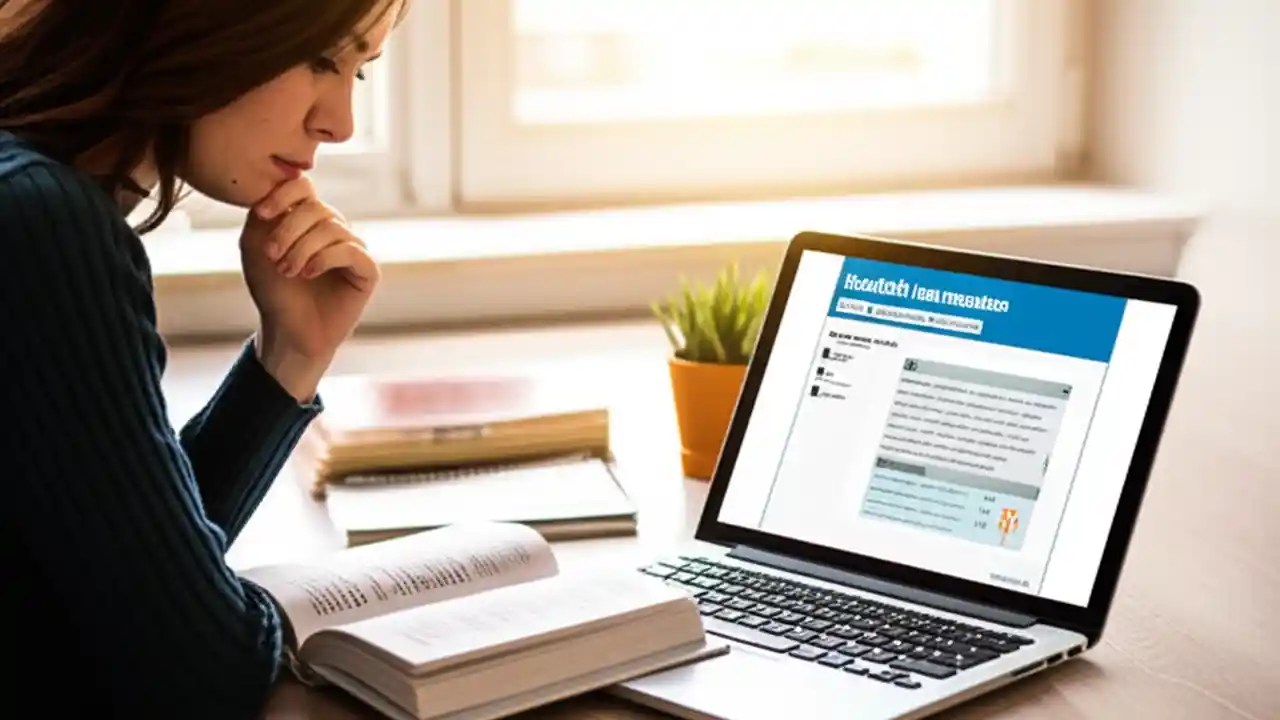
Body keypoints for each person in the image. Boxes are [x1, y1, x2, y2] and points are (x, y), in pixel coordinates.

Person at [0, 1, 406, 716]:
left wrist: (291, 357)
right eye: (320, 59)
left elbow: (131, 585)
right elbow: (199, 671)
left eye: (359, 74)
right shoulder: (40, 223)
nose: (338, 123)